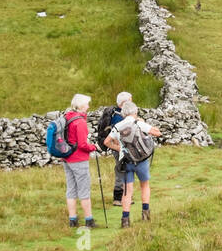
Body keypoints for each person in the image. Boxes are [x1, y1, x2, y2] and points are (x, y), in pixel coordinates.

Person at [102, 103, 162, 228]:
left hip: (126, 161)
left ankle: (125, 220)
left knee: (127, 191)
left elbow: (106, 142)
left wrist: (118, 148)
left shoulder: (118, 126)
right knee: (144, 186)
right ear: (135, 112)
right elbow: (158, 133)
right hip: (141, 161)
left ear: (123, 113)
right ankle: (145, 215)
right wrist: (143, 122)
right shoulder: (138, 123)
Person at [61, 93, 100, 229]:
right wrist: (93, 147)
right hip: (79, 159)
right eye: (87, 104)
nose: (88, 106)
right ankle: (89, 220)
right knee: (84, 190)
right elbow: (83, 144)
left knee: (71, 189)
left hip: (67, 158)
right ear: (81, 105)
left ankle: (73, 220)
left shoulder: (67, 117)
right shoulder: (80, 122)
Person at [100, 91, 134, 204]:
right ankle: (118, 198)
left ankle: (126, 196)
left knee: (125, 170)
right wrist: (120, 148)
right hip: (120, 148)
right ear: (124, 103)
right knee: (121, 171)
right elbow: (114, 135)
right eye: (130, 100)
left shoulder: (118, 114)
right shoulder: (118, 117)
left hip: (122, 147)